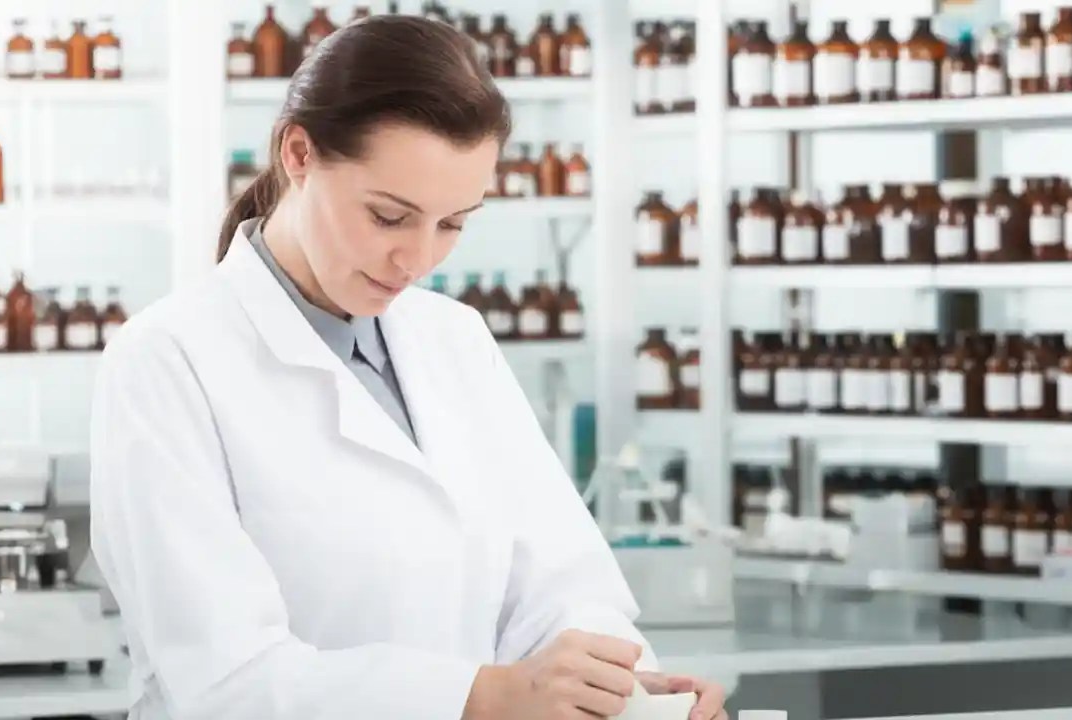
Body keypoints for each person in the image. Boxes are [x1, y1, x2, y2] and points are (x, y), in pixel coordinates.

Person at [90, 15, 727, 720]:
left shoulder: (454, 337)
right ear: (298, 154)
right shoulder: (167, 361)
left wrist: (630, 696)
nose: (419, 260)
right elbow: (223, 680)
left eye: (453, 223)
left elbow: (562, 590)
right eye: (390, 217)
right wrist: (480, 698)